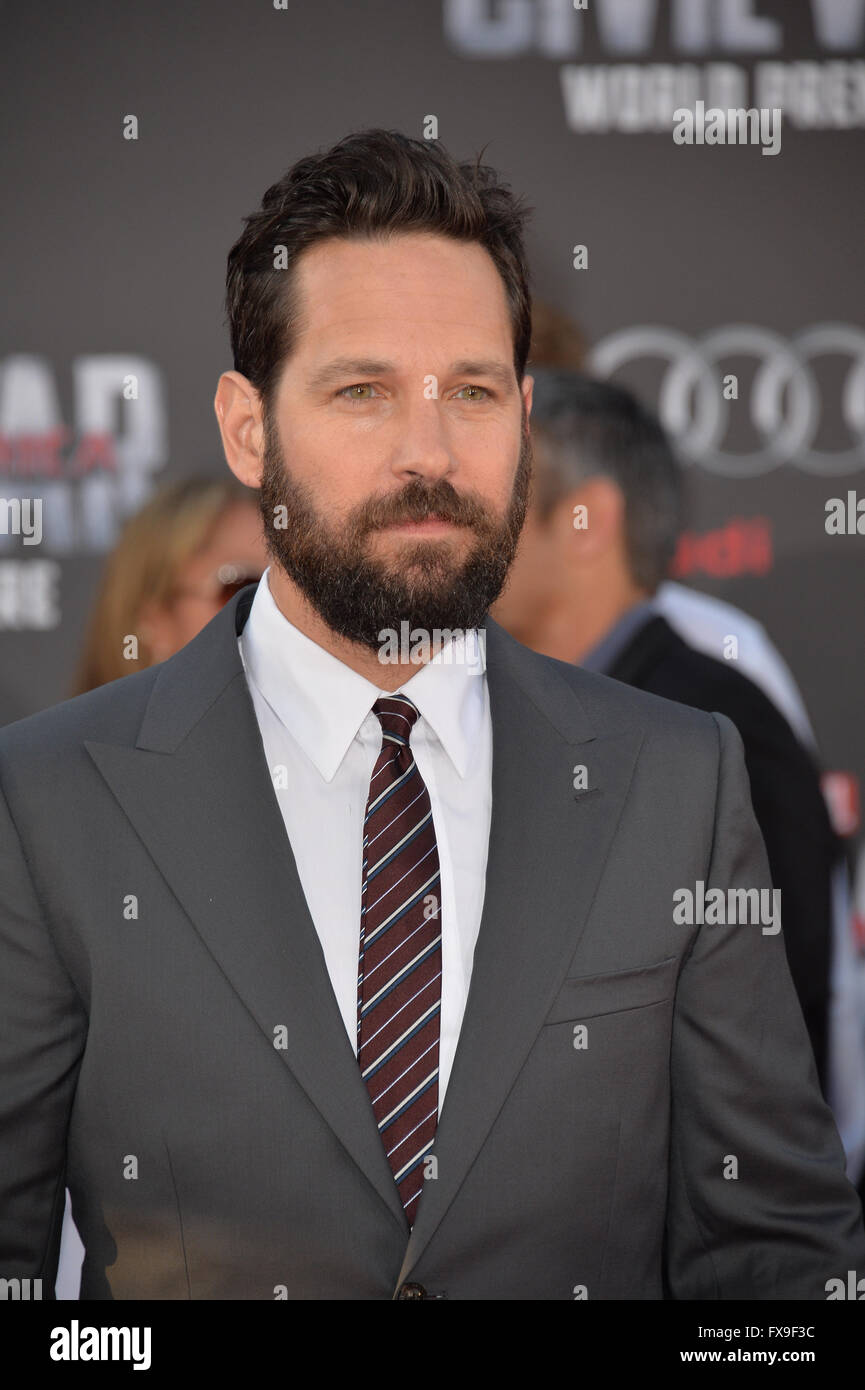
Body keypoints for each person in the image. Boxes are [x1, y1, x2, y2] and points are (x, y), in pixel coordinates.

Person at [0, 129, 863, 1301]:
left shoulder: (676, 780)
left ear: (522, 414)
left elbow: (774, 1255)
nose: (429, 452)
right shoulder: (51, 797)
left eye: (471, 390)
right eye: (361, 391)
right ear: (247, 429)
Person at [491, 367, 844, 1103]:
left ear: (588, 520)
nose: (462, 520)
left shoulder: (721, 728)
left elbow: (766, 1035)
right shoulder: (495, 713)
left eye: (501, 495)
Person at [72, 475, 267, 692]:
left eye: (293, 590)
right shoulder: (69, 726)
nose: (275, 613)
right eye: (242, 589)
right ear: (153, 621)